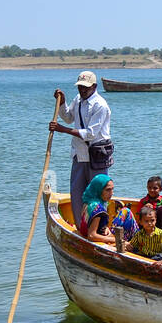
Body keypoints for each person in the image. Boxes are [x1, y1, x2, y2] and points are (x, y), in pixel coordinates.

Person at [52, 71, 112, 233]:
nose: (82, 90)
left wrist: (63, 130)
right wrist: (62, 103)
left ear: (94, 87)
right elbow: (68, 117)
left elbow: (90, 133)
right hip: (79, 154)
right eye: (80, 87)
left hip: (96, 155)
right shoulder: (78, 100)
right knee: (77, 192)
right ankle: (81, 228)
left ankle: (100, 229)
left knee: (99, 194)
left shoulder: (100, 105)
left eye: (86, 88)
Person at [78, 174, 135, 245]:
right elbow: (91, 235)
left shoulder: (89, 202)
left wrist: (107, 228)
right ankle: (134, 243)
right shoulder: (98, 208)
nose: (111, 193)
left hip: (101, 233)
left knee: (125, 211)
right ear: (99, 190)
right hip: (101, 238)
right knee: (127, 212)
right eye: (108, 190)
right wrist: (115, 239)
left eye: (112, 189)